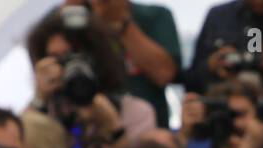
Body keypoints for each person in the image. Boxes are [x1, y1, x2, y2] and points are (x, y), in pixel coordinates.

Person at [24, 7, 158, 148]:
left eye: (76, 56)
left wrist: (112, 132)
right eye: (58, 59)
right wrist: (40, 104)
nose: (70, 67)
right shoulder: (41, 114)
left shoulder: (134, 112)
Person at [63, 0, 183, 128]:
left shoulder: (154, 16)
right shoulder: (74, 16)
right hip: (82, 126)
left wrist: (121, 22)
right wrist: (70, 12)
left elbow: (165, 74)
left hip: (147, 129)